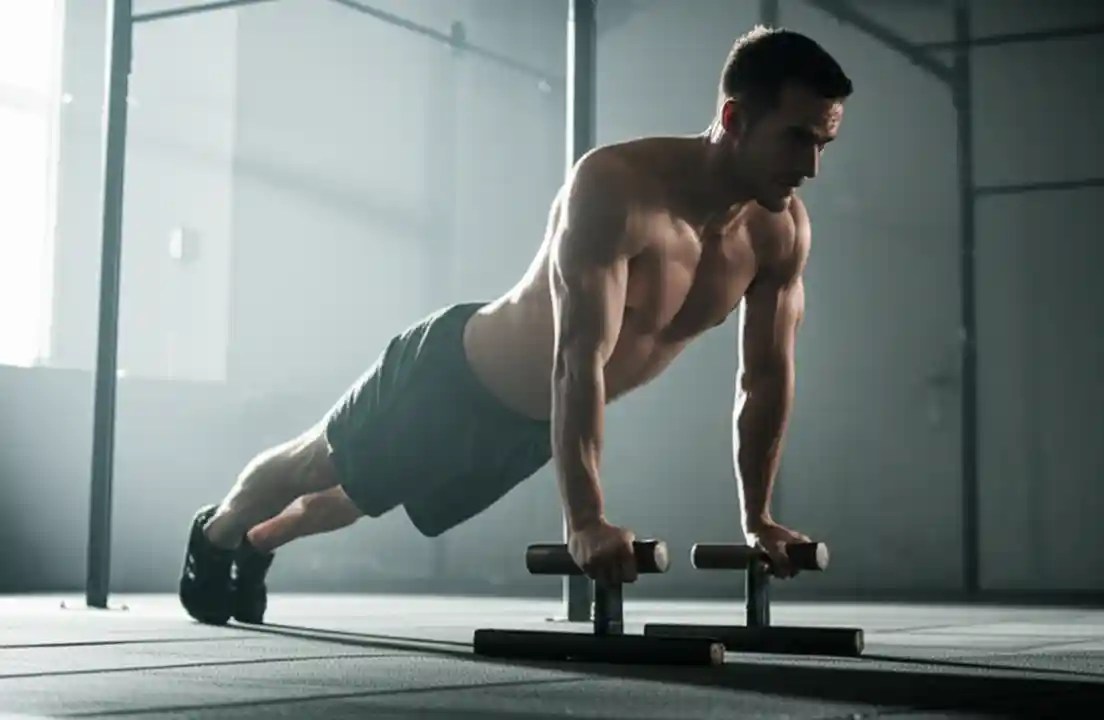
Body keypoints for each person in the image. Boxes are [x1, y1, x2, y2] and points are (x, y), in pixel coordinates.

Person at [180, 25, 851, 626]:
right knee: (315, 463)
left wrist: (757, 517)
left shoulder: (780, 232)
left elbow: (764, 379)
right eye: (797, 137)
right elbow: (576, 359)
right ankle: (217, 532)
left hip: (534, 428)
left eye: (824, 141)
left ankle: (258, 544)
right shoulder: (618, 187)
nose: (812, 166)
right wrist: (584, 519)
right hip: (451, 376)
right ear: (734, 118)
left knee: (357, 499)